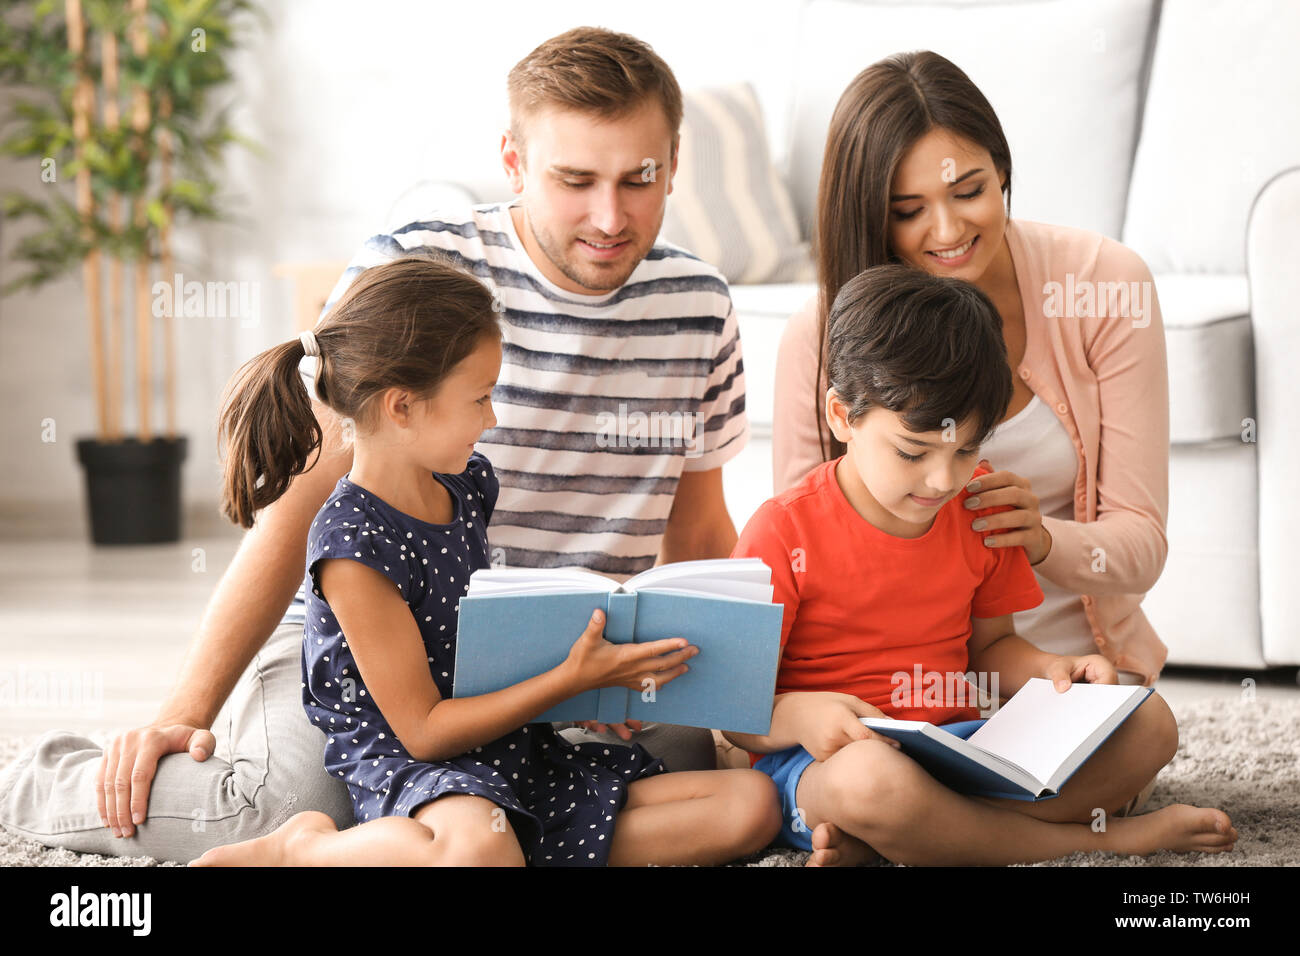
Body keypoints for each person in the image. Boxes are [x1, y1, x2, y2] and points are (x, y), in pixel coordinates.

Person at [0, 27, 746, 861]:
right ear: (512, 161)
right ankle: (38, 781)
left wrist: (696, 679)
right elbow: (305, 505)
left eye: (639, 179)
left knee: (680, 761)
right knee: (281, 802)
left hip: (557, 658)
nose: (611, 217)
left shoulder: (700, 306)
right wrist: (185, 712)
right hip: (365, 634)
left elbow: (700, 530)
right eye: (575, 180)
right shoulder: (424, 263)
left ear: (673, 161)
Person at [187, 256, 778, 866]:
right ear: (402, 407)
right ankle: (300, 852)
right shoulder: (351, 544)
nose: (492, 418)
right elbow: (422, 730)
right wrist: (569, 680)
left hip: (506, 747)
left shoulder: (463, 486)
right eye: (480, 398)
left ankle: (507, 853)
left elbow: (479, 646)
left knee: (752, 803)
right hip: (417, 763)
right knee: (478, 844)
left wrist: (590, 694)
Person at [727, 264, 1236, 867]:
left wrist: (1055, 668)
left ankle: (913, 837)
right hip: (823, 766)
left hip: (955, 748)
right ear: (843, 418)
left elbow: (990, 650)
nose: (943, 479)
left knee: (1149, 723)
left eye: (966, 448)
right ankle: (1098, 838)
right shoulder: (783, 529)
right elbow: (734, 714)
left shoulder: (978, 506)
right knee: (871, 783)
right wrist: (798, 712)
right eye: (912, 452)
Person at [773, 50, 1172, 693]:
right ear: (870, 213)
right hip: (892, 690)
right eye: (909, 210)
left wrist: (1041, 540)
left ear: (1003, 170)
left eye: (971, 192)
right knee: (874, 788)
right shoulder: (819, 335)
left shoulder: (1102, 285)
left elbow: (1143, 545)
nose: (950, 229)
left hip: (1070, 676)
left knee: (1144, 731)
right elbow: (802, 543)